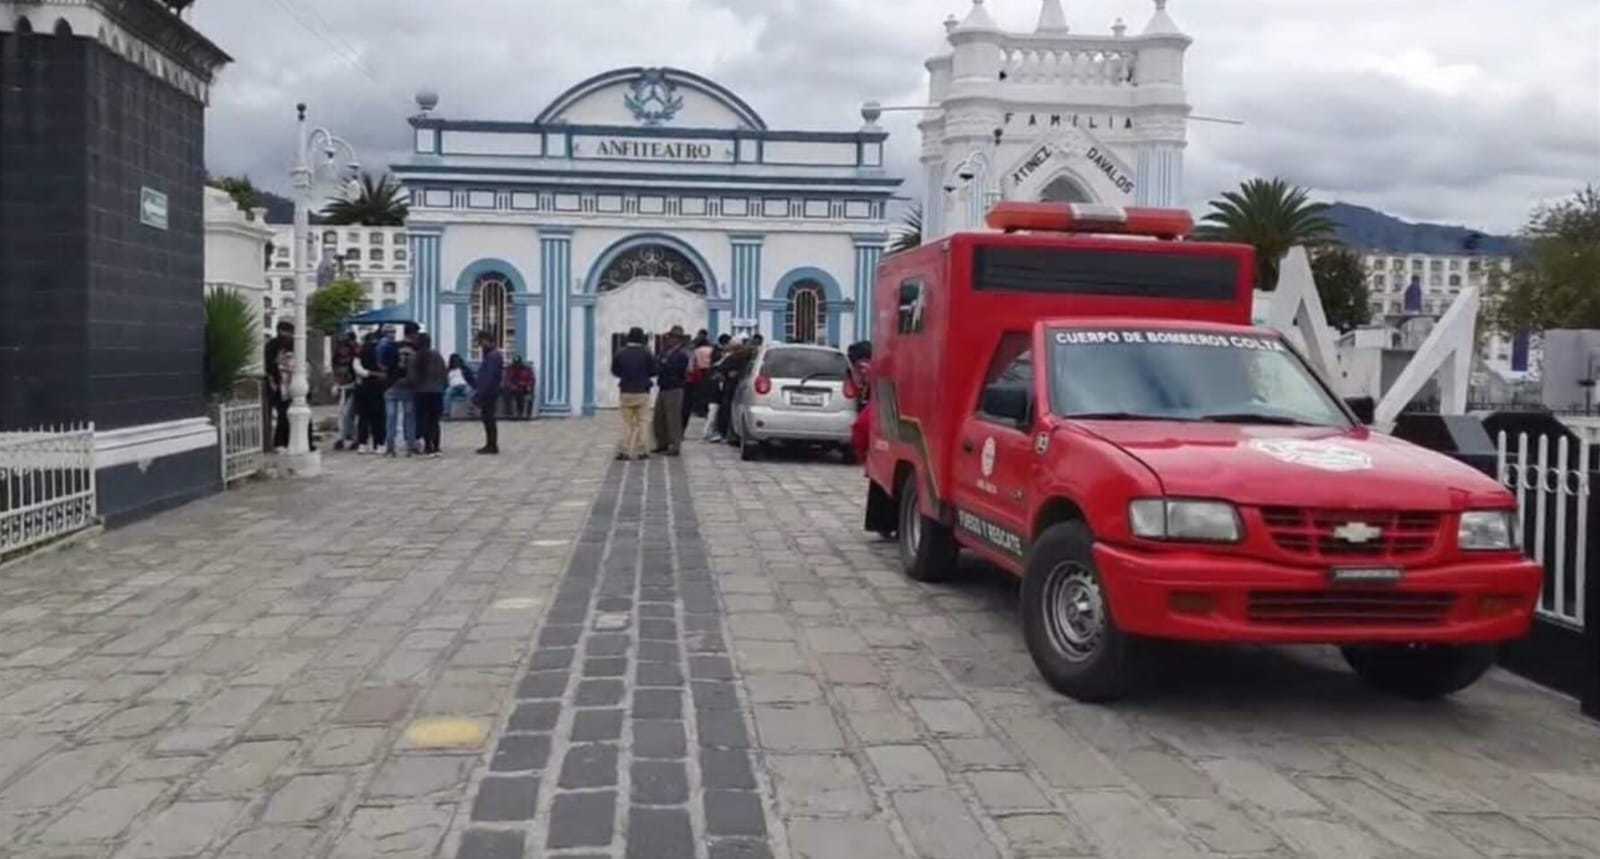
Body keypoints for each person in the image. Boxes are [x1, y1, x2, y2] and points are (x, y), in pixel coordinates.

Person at [611, 326, 657, 460]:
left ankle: (624, 450)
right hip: (642, 391)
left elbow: (615, 371)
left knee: (626, 422)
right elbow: (654, 371)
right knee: (643, 421)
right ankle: (642, 450)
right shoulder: (647, 353)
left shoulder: (620, 352)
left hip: (626, 391)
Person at [382, 322, 420, 457]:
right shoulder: (417, 348)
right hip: (409, 386)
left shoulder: (393, 346)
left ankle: (390, 447)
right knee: (409, 417)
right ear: (414, 333)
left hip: (391, 385)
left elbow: (384, 364)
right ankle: (410, 446)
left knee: (391, 417)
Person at [653, 326, 691, 456]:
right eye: (669, 337)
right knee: (659, 418)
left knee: (673, 419)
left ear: (678, 339)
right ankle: (662, 443)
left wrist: (664, 364)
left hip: (675, 388)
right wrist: (662, 362)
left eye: (672, 337)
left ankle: (675, 446)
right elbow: (658, 364)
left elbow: (677, 370)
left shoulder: (682, 354)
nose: (669, 339)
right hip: (664, 387)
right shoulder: (665, 351)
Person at [410, 333, 447, 458]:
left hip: (421, 392)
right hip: (436, 391)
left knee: (423, 419)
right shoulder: (437, 355)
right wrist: (442, 387)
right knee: (434, 420)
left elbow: (412, 376)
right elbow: (444, 372)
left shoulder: (415, 357)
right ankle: (436, 446)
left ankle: (427, 446)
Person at [353, 330, 387, 453]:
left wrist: (369, 373)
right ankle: (379, 444)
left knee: (363, 417)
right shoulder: (380, 352)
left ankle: (362, 444)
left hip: (363, 388)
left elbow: (358, 369)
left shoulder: (359, 353)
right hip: (377, 388)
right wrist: (377, 374)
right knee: (378, 417)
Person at [263, 321, 294, 450]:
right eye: (288, 332)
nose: (290, 335)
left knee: (289, 413)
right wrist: (274, 380)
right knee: (282, 413)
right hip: (278, 383)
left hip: (291, 382)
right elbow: (269, 366)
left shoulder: (293, 344)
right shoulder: (272, 345)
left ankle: (287, 440)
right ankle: (280, 442)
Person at [473, 330, 504, 454]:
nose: (480, 346)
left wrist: (481, 394)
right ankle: (490, 443)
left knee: (489, 419)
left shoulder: (493, 356)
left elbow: (489, 377)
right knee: (488, 418)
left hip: (489, 392)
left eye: (481, 342)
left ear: (486, 340)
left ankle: (492, 445)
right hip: (490, 391)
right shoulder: (491, 355)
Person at [331, 331, 358, 450]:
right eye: (341, 347)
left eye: (345, 347)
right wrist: (336, 384)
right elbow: (336, 373)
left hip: (353, 387)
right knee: (342, 413)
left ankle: (352, 437)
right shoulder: (336, 359)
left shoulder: (354, 359)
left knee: (349, 414)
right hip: (343, 388)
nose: (343, 350)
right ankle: (342, 437)